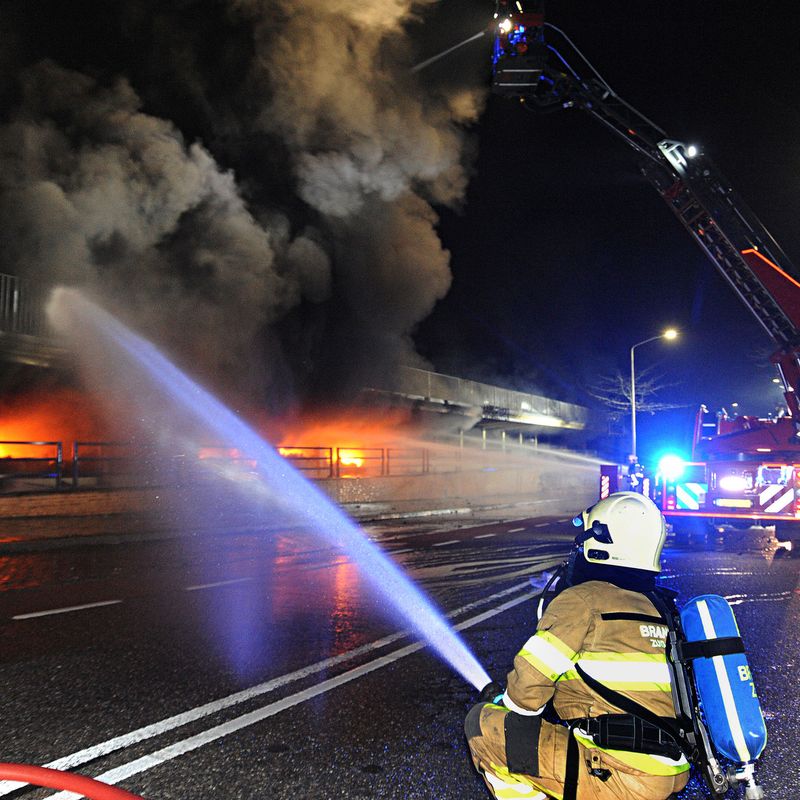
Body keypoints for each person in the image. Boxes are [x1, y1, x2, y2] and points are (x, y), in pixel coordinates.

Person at [464, 492, 691, 800]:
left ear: (601, 541)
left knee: (484, 725)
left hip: (619, 773)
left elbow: (525, 698)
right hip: (672, 770)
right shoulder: (661, 608)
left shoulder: (581, 601)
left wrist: (503, 703)